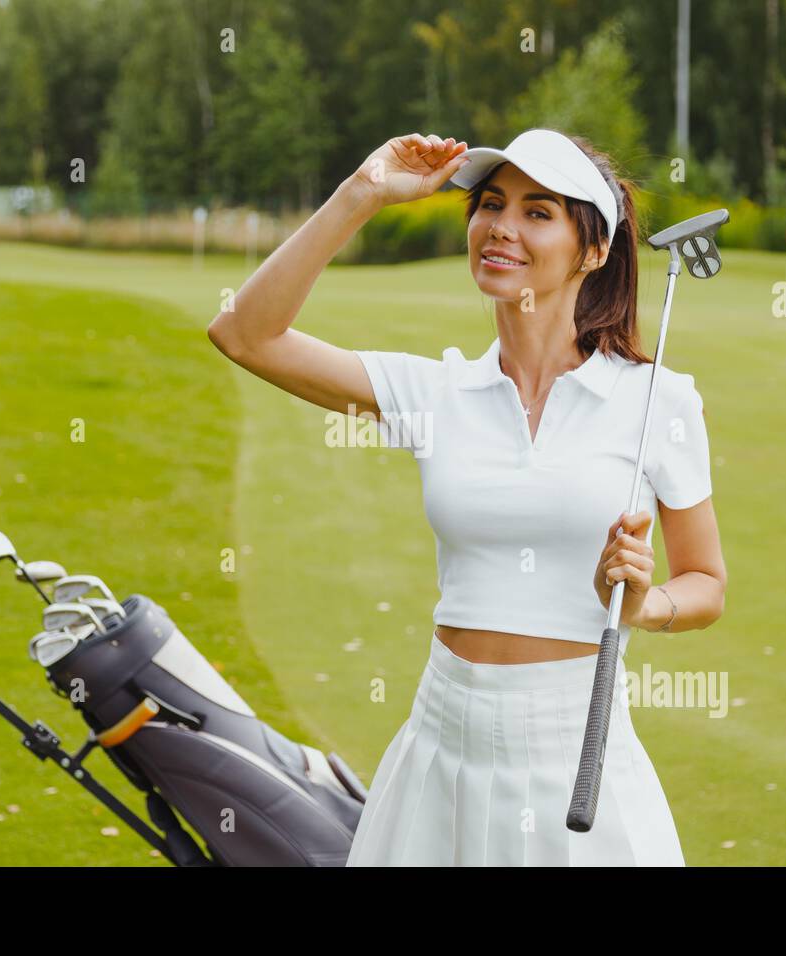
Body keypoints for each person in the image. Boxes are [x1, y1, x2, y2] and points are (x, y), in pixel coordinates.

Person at [207, 128, 727, 866]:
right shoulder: (439, 391)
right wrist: (363, 193)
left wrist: (648, 608)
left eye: (539, 211)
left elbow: (706, 583)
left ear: (595, 250)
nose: (503, 228)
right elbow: (245, 334)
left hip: (575, 750)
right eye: (491, 204)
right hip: (440, 744)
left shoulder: (658, 402)